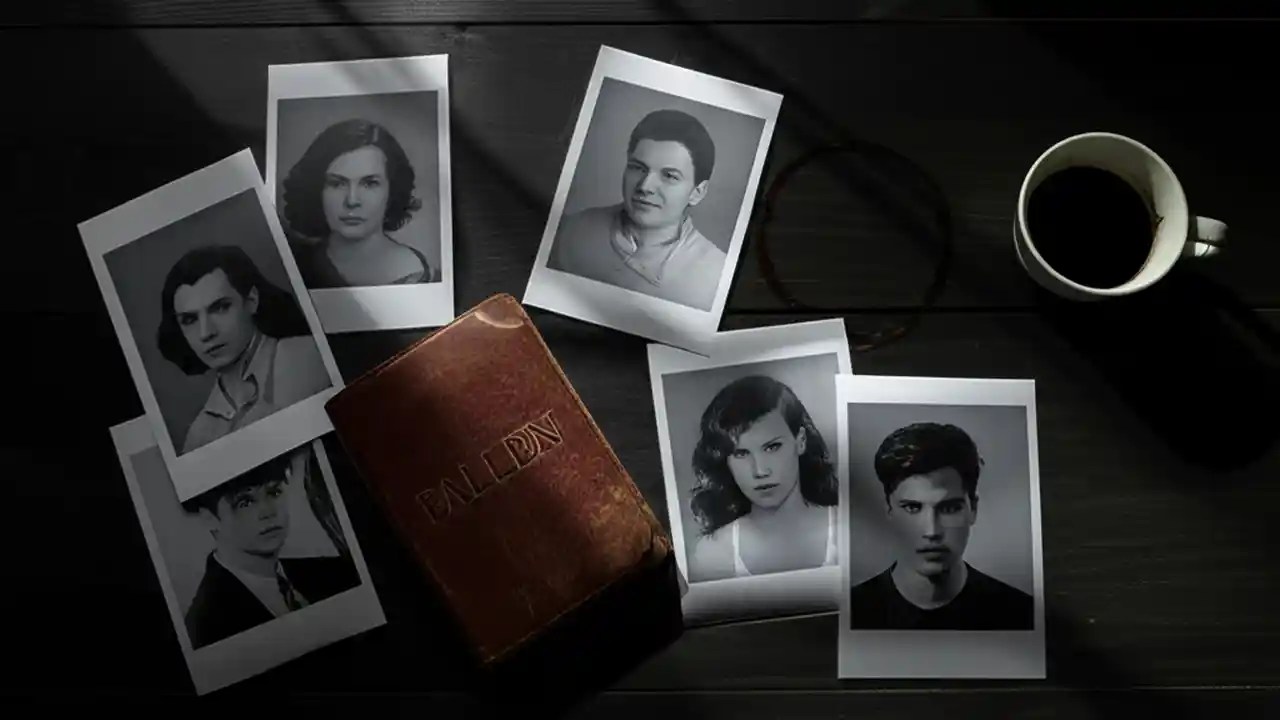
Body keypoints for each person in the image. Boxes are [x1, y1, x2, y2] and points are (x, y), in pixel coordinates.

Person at [848, 422, 1034, 630]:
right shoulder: (851, 613)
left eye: (949, 508)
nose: (932, 531)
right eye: (912, 508)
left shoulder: (1022, 615)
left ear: (973, 508)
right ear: (889, 510)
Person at [156, 245, 331, 454]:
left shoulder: (313, 358)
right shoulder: (199, 435)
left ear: (251, 301)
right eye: (189, 319)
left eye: (220, 307)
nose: (206, 333)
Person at [181, 448, 360, 649]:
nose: (268, 512)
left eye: (274, 492)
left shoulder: (337, 572)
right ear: (209, 519)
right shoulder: (205, 628)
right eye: (245, 502)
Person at [551, 109, 726, 311]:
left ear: (698, 192)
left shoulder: (716, 275)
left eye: (669, 176)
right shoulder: (569, 231)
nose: (645, 186)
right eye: (638, 168)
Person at [686, 375, 838, 581]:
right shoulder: (713, 554)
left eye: (772, 447)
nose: (760, 471)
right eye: (741, 453)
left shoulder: (849, 528)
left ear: (800, 441)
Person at [281, 118, 439, 288]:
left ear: (392, 191)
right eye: (337, 183)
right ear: (316, 190)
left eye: (370, 184)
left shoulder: (426, 278)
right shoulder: (293, 269)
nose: (352, 200)